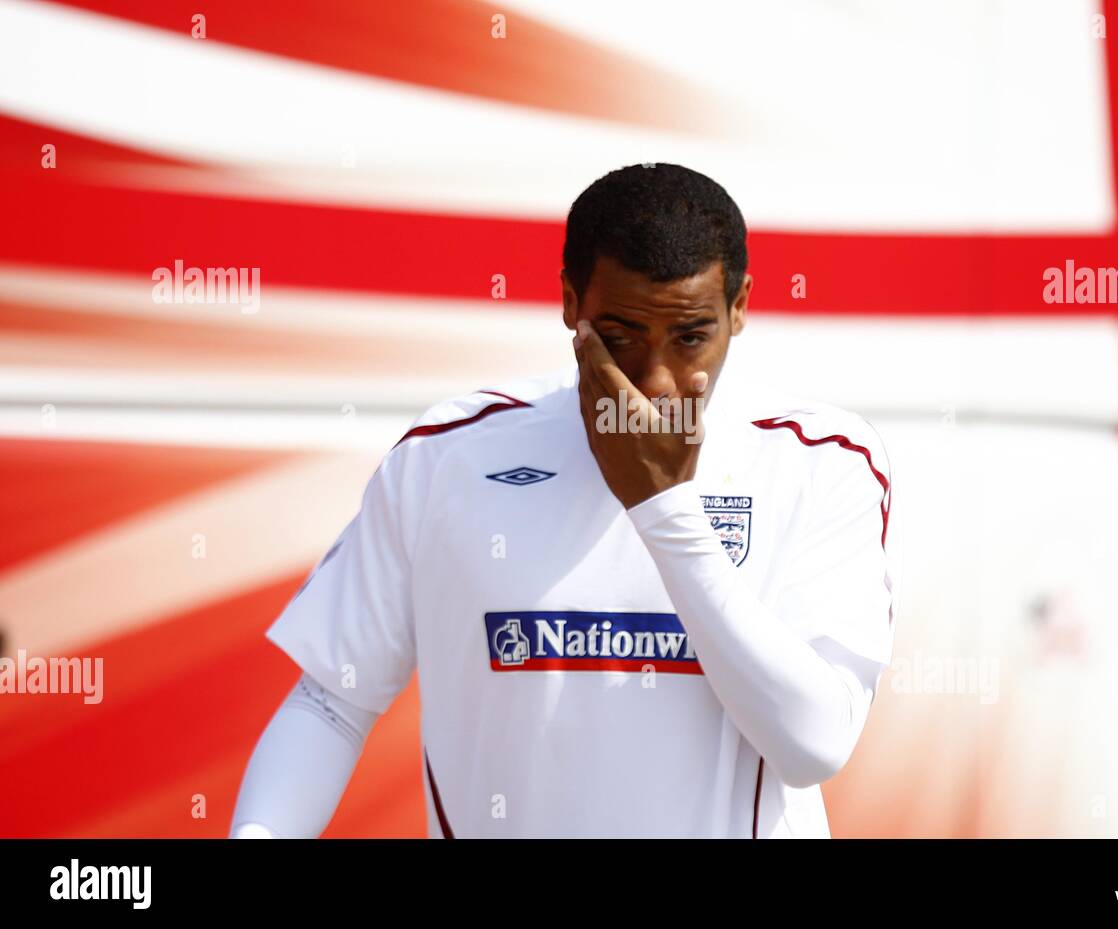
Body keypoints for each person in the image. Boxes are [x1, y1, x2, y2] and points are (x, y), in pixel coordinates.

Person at [230, 163, 894, 838]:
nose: (656, 381)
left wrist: (662, 508)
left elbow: (813, 743)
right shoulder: (447, 457)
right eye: (623, 335)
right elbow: (331, 702)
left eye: (691, 334)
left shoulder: (818, 463)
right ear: (571, 301)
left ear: (741, 306)